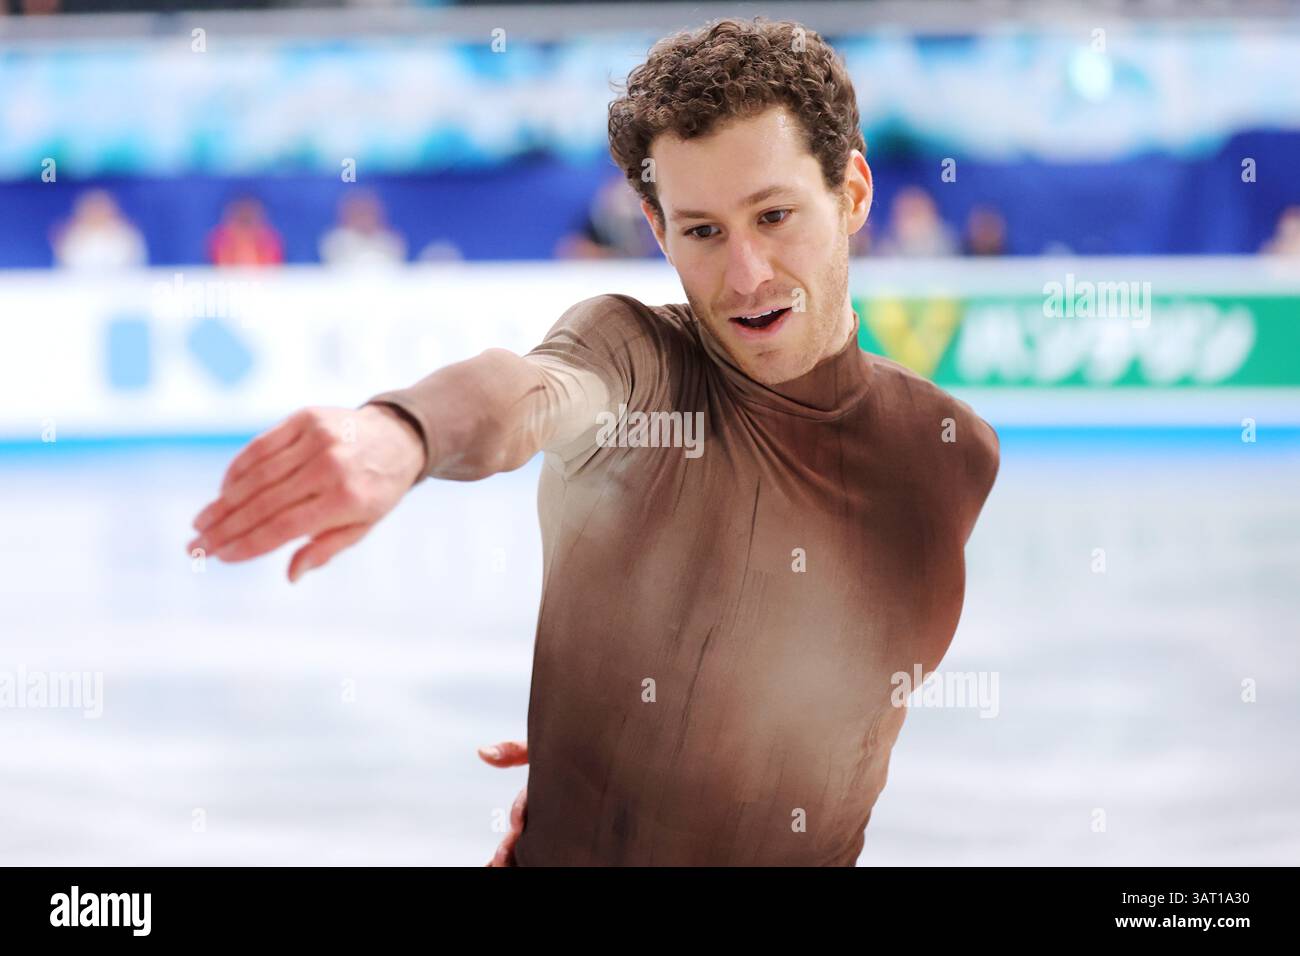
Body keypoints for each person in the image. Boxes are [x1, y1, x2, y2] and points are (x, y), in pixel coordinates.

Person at [186, 17, 999, 866]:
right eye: (703, 231)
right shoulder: (636, 359)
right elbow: (525, 392)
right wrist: (404, 432)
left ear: (855, 193)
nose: (747, 273)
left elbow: (833, 714)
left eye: (775, 214)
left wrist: (662, 750)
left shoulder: (952, 456)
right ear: (658, 231)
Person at [51, 190, 148, 271]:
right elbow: (64, 270)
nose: (96, 214)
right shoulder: (71, 236)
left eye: (100, 208)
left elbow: (136, 266)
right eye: (91, 209)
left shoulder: (127, 235)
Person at [319, 191, 407, 267]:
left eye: (368, 213)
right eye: (359, 213)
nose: (364, 218)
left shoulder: (390, 241)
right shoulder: (335, 241)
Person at [207, 196, 283, 267]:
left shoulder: (268, 241)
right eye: (241, 219)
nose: (245, 224)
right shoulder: (221, 242)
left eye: (248, 219)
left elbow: (271, 268)